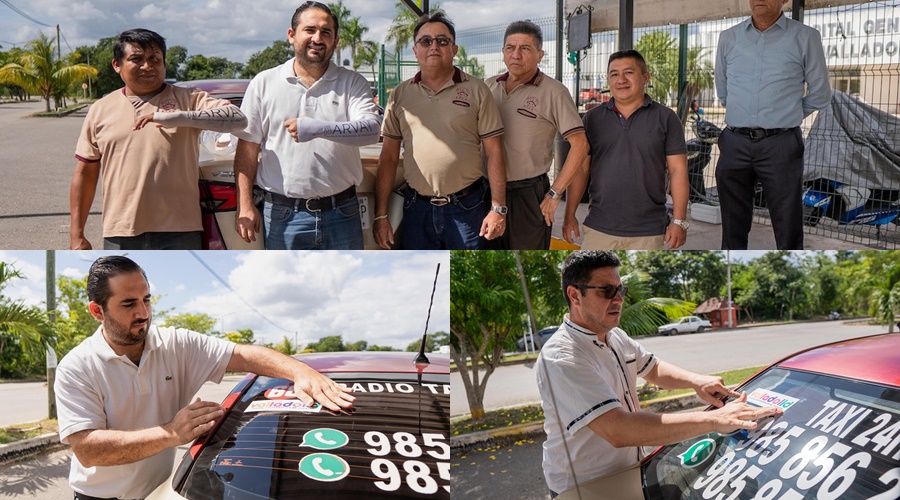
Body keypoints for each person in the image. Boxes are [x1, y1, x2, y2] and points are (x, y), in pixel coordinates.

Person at [55, 256, 356, 500]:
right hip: (98, 497)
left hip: (160, 492)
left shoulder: (176, 344)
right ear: (97, 311)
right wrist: (172, 433)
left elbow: (244, 355)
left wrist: (300, 372)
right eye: (129, 304)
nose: (144, 312)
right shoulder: (77, 367)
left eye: (146, 299)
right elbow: (88, 449)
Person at [536, 250, 783, 497]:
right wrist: (715, 420)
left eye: (621, 290)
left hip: (633, 469)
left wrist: (697, 381)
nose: (619, 300)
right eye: (606, 291)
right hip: (586, 486)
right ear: (575, 295)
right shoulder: (562, 356)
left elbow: (652, 368)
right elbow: (618, 428)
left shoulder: (614, 335)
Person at [70, 28, 248, 250]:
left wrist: (176, 117)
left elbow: (238, 119)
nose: (147, 66)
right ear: (117, 65)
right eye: (137, 59)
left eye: (155, 59)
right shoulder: (100, 109)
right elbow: (85, 173)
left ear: (164, 64)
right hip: (121, 229)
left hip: (181, 229)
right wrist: (76, 234)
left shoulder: (188, 99)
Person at [234, 1, 381, 250]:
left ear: (335, 41)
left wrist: (317, 128)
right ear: (291, 35)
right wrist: (244, 204)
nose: (317, 38)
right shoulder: (264, 83)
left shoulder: (352, 82)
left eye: (326, 32)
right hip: (283, 214)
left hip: (342, 212)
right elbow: (247, 150)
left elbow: (371, 130)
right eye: (309, 30)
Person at [374, 12, 507, 250]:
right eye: (426, 41)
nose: (434, 46)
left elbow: (494, 151)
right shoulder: (400, 95)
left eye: (442, 40)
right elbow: (389, 156)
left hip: (468, 209)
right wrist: (381, 215)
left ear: (454, 49)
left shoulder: (477, 90)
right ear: (415, 51)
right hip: (417, 210)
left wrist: (498, 208)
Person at [715, 0, 830, 249]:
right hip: (734, 142)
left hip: (781, 144)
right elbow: (723, 91)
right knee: (732, 224)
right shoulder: (728, 38)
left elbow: (821, 94)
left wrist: (786, 116)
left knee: (787, 223)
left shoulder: (805, 37)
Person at [564, 50, 689, 250]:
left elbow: (678, 171)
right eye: (614, 74)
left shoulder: (666, 118)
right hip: (599, 228)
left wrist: (679, 221)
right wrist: (569, 214)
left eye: (628, 72)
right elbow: (581, 170)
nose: (620, 80)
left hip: (649, 231)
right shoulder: (592, 119)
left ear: (645, 77)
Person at [485, 20, 589, 250]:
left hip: (528, 195)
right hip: (488, 192)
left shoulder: (554, 92)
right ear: (503, 52)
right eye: (510, 48)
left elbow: (580, 145)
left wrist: (555, 193)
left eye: (525, 48)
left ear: (540, 54)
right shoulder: (488, 87)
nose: (516, 55)